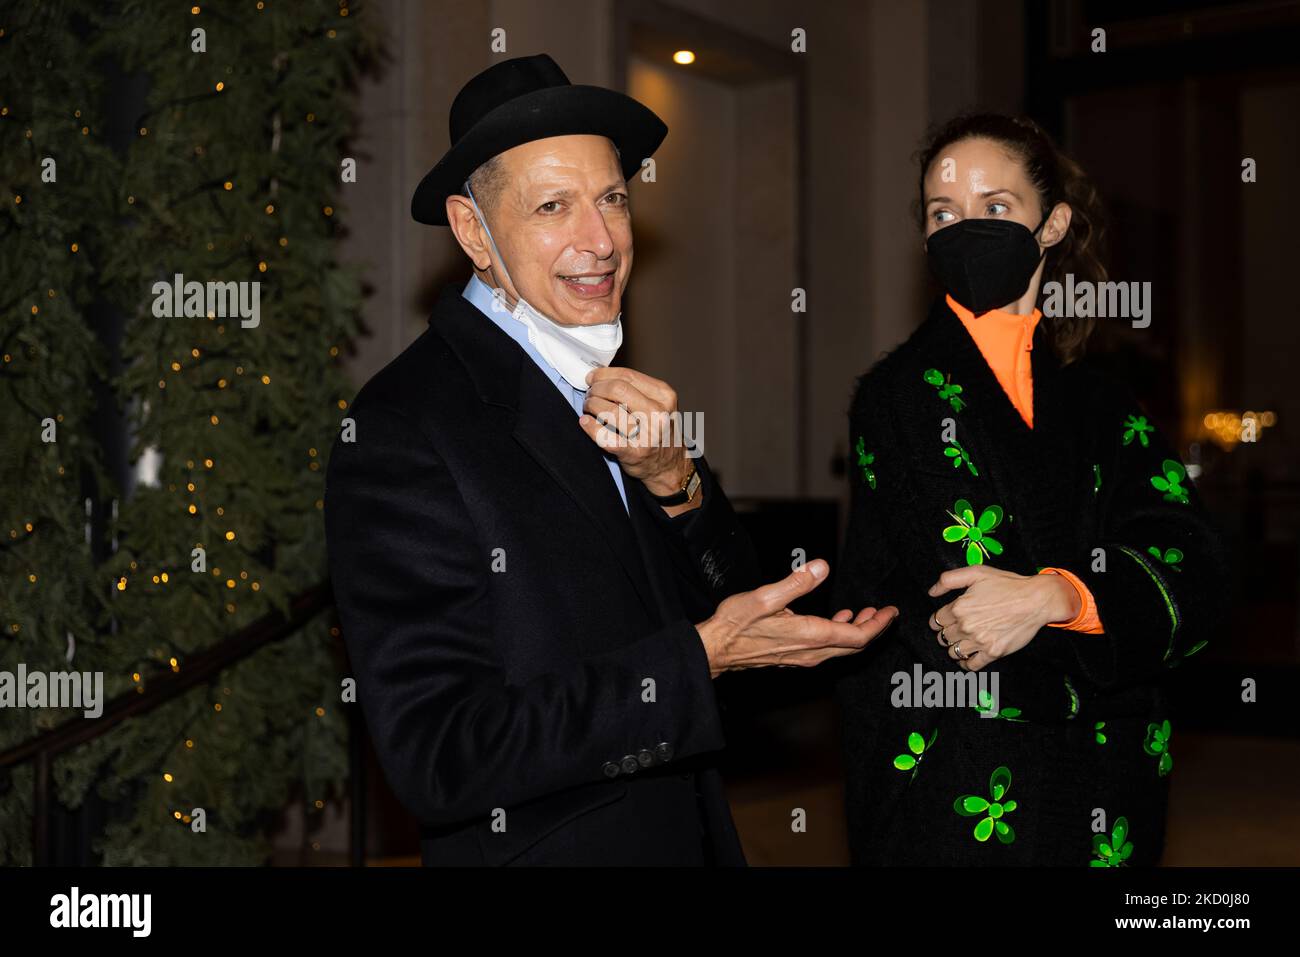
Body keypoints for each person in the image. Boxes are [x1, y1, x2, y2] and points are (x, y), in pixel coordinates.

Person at [324, 54, 896, 866]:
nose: (601, 242)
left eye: (613, 199)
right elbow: (440, 752)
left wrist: (677, 483)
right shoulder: (402, 428)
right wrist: (699, 658)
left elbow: (729, 605)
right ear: (470, 231)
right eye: (553, 205)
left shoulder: (607, 379)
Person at [832, 112, 1226, 866]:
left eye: (996, 207)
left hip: (1110, 778)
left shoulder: (1106, 404)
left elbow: (1197, 564)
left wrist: (1058, 595)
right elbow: (969, 598)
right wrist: (1099, 614)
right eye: (942, 213)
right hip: (960, 772)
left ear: (1051, 226)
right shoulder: (898, 396)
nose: (964, 228)